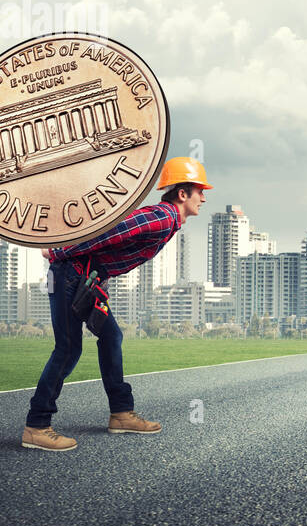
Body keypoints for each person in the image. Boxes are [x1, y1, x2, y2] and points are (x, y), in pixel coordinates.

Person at [21, 157, 211, 451]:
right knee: (68, 348)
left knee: (111, 336)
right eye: (200, 190)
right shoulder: (162, 217)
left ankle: (121, 413)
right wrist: (60, 251)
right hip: (70, 273)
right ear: (182, 194)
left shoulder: (169, 221)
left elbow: (112, 248)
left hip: (85, 278)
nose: (204, 197)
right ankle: (37, 425)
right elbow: (112, 231)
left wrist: (100, 282)